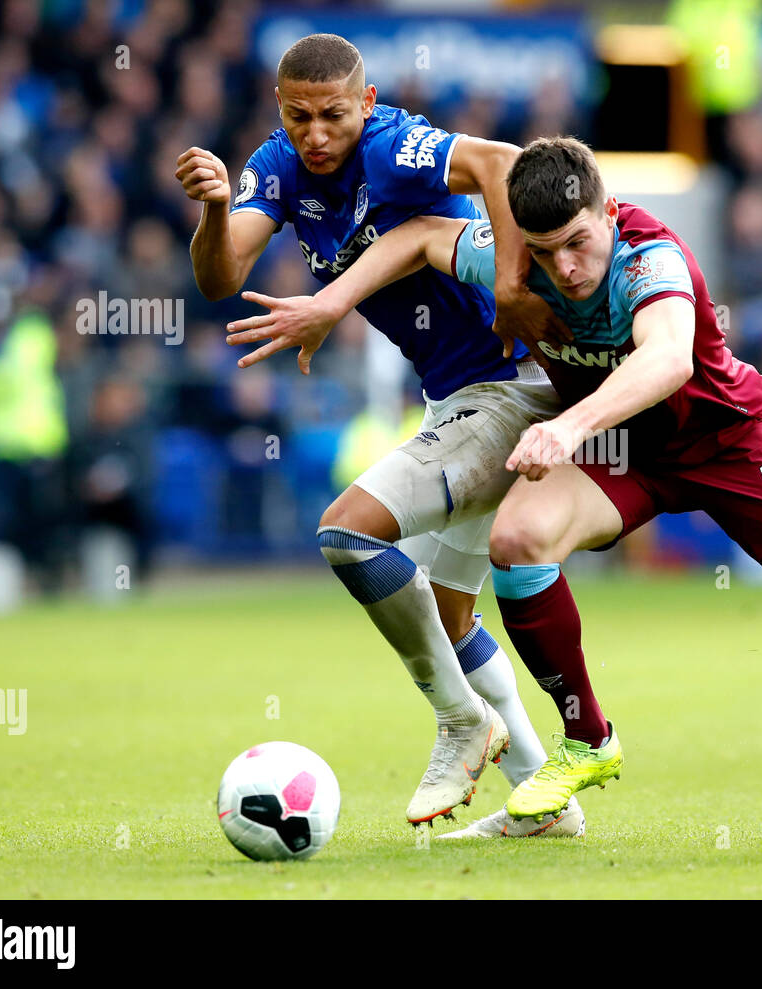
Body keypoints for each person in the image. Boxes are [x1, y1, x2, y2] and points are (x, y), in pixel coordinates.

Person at [230, 136, 762, 847]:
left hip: (724, 442)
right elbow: (417, 236)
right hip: (627, 450)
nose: (564, 265)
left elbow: (668, 359)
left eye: (578, 243)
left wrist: (566, 427)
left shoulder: (651, 257)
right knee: (518, 542)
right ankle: (586, 740)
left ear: (606, 212)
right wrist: (332, 303)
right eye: (544, 248)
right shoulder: (517, 257)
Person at [177, 33, 584, 837]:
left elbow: (504, 161)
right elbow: (222, 279)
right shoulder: (279, 168)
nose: (317, 134)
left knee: (347, 534)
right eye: (299, 117)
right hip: (456, 397)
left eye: (333, 115)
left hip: (506, 388)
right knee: (449, 609)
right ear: (279, 110)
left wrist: (508, 282)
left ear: (364, 104)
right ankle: (543, 800)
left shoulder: (396, 146)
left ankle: (460, 720)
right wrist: (218, 207)